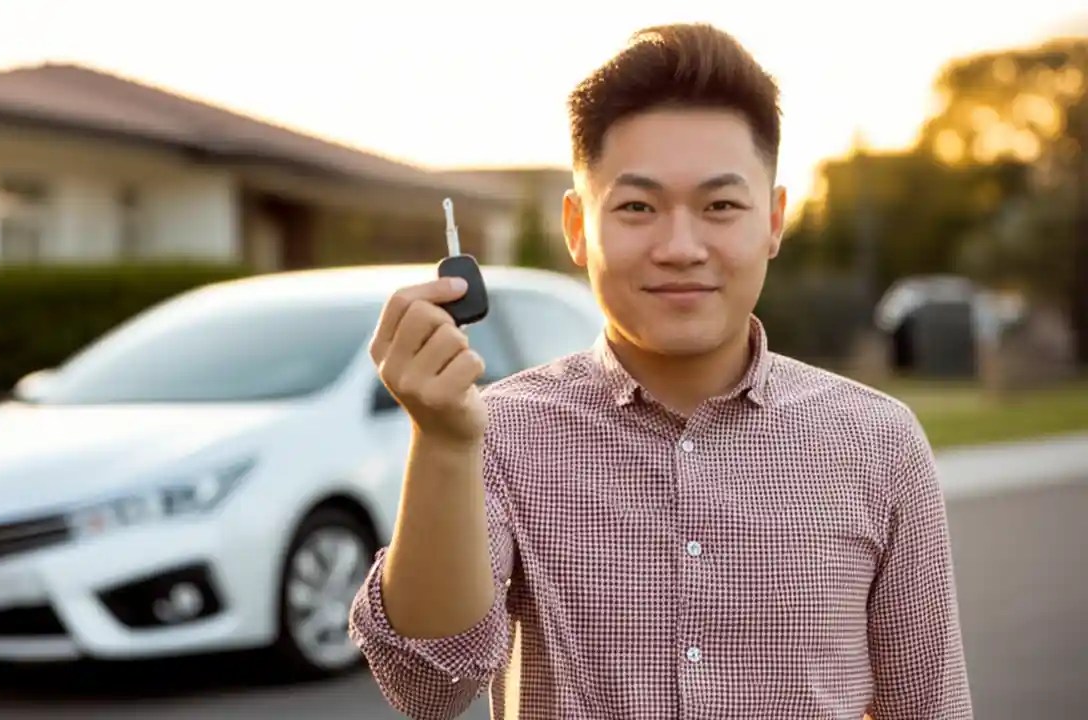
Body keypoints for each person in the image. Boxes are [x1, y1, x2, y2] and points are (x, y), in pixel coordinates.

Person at [349, 22, 973, 720]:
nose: (681, 247)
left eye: (721, 206)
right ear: (579, 227)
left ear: (773, 221)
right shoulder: (500, 433)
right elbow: (428, 690)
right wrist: (441, 441)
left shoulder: (880, 443)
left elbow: (930, 707)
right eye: (638, 207)